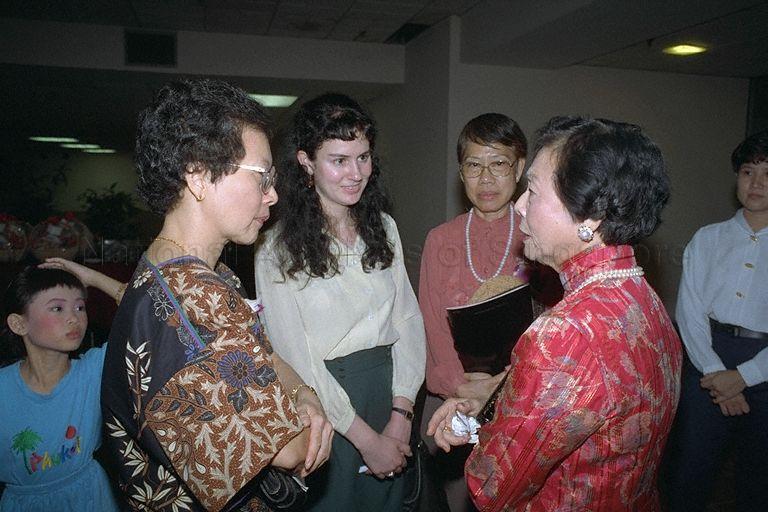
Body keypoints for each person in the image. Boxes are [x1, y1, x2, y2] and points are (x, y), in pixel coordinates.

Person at [100, 78, 333, 512]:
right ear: (199, 175)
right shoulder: (194, 296)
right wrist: (309, 409)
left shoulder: (186, 270)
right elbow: (291, 449)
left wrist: (302, 392)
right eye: (261, 177)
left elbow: (263, 359)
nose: (274, 194)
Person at [427, 116, 682, 511]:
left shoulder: (563, 332)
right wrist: (498, 397)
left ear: (590, 216)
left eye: (532, 189)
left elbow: (491, 483)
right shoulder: (644, 298)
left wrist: (481, 427)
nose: (521, 204)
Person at [254, 93, 426, 511]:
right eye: (339, 160)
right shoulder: (276, 249)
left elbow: (406, 319)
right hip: (329, 408)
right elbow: (298, 357)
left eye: (363, 158)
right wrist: (369, 441)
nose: (355, 173)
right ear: (306, 162)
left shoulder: (383, 228)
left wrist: (401, 417)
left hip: (391, 395)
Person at [419, 113, 561, 402]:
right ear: (461, 173)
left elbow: (554, 320)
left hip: (528, 393)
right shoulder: (440, 239)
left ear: (519, 168)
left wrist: (508, 384)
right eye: (474, 165)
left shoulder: (541, 237)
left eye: (498, 163)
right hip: (456, 398)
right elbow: (433, 327)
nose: (486, 179)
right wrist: (461, 387)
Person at [666, 130, 768, 512]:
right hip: (707, 359)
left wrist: (743, 377)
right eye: (747, 172)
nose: (756, 183)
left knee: (758, 480)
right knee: (689, 472)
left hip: (765, 364)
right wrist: (716, 372)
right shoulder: (707, 239)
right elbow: (689, 312)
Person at [0, 266, 119, 511]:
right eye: (57, 308)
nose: (74, 318)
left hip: (90, 499)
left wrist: (94, 278)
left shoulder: (93, 371)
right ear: (19, 324)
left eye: (80, 307)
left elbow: (157, 312)